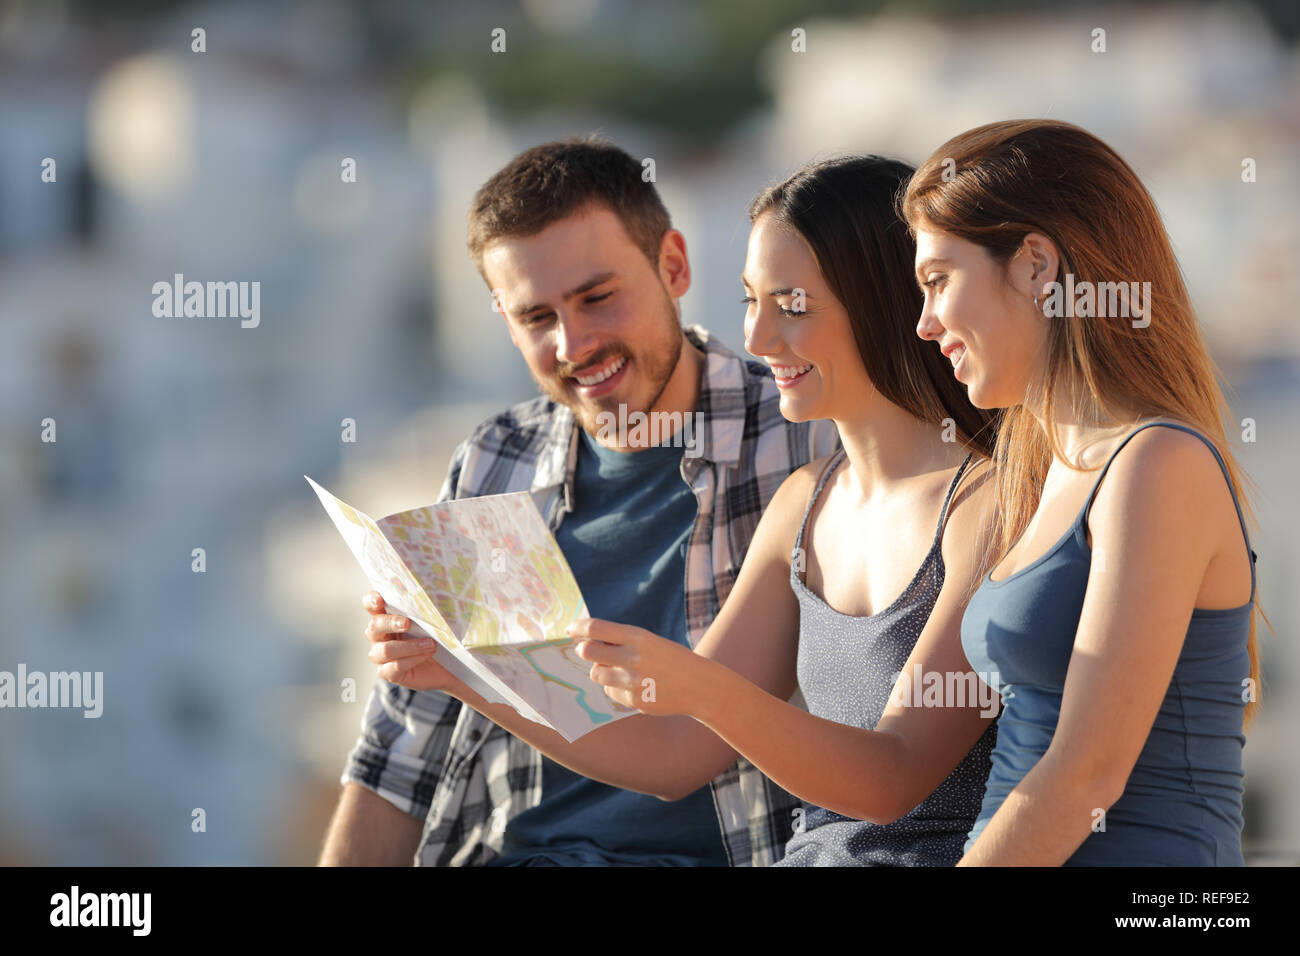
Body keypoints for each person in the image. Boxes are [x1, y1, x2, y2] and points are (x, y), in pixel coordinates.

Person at [366, 154, 1009, 866]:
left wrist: (697, 685)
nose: (760, 340)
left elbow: (892, 778)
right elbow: (676, 755)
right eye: (751, 303)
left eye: (791, 306)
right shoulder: (803, 500)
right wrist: (461, 669)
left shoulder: (980, 500)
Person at [318, 136, 837, 867]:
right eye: (537, 319)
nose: (575, 343)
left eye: (598, 298)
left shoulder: (798, 438)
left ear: (674, 266)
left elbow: (687, 750)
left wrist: (464, 664)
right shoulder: (495, 463)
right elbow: (396, 767)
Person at [902, 118, 1265, 865]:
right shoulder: (1046, 473)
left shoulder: (1157, 462)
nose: (925, 323)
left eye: (938, 280)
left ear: (1037, 265)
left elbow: (1084, 775)